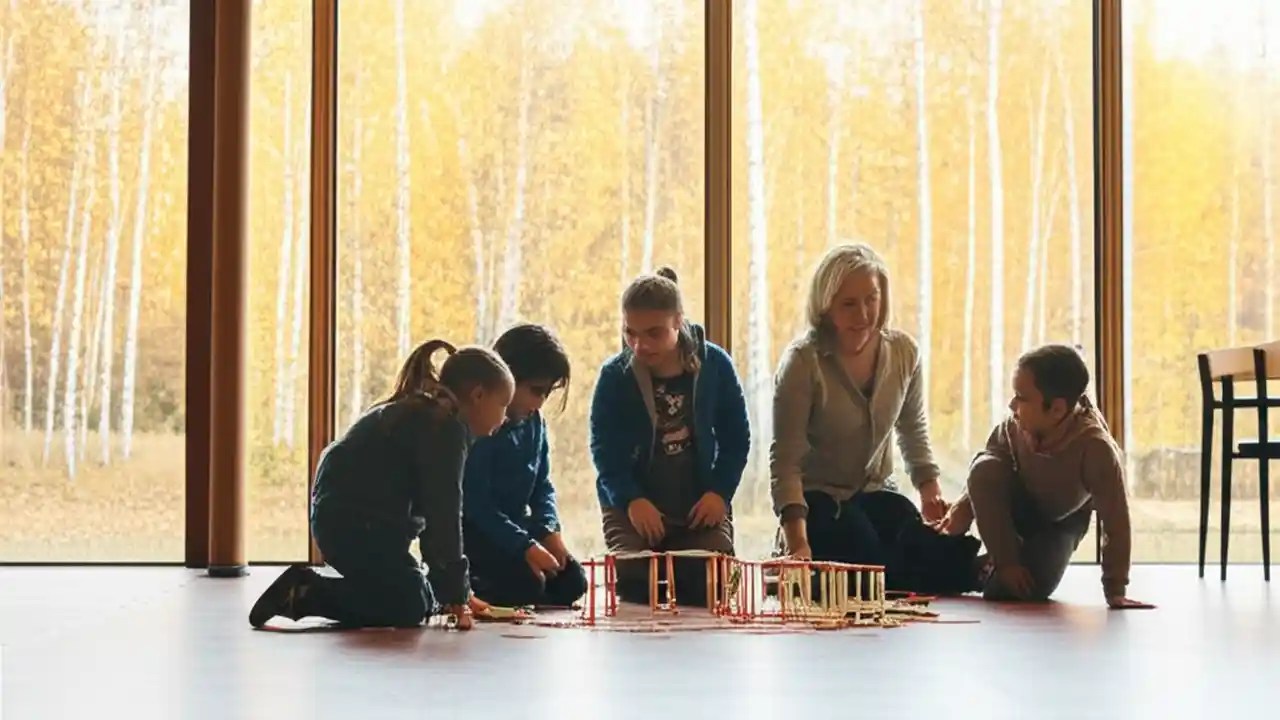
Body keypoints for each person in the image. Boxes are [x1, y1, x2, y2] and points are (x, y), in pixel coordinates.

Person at [248, 339, 514, 630]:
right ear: (478, 395)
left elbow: (435, 523)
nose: (505, 417)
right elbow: (444, 514)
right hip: (357, 527)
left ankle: (428, 595)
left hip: (347, 523)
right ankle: (306, 594)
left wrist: (458, 591)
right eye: (503, 405)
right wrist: (457, 594)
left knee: (417, 588)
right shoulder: (445, 430)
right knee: (409, 602)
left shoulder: (426, 413)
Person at [770, 243, 980, 594]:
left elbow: (912, 430)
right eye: (849, 304)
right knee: (864, 552)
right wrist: (797, 544)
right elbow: (786, 462)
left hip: (876, 493)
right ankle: (805, 572)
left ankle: (933, 568)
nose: (863, 314)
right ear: (826, 308)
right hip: (820, 501)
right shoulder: (803, 363)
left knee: (907, 532)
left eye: (872, 299)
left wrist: (930, 492)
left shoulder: (903, 353)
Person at [933, 344, 1154, 609]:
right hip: (1018, 508)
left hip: (1061, 522)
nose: (1012, 404)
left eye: (1021, 397)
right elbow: (982, 478)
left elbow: (1116, 521)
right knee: (984, 465)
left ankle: (987, 568)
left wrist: (1115, 588)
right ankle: (987, 562)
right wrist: (959, 523)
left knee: (1017, 590)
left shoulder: (1096, 448)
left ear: (1057, 409)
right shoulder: (1013, 427)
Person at [590, 266, 750, 606]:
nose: (640, 345)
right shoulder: (614, 376)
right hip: (635, 505)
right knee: (637, 584)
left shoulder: (716, 365)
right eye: (630, 333)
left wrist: (719, 493)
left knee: (708, 585)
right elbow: (605, 452)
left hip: (697, 503)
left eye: (654, 333)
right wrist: (631, 500)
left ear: (679, 322)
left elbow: (737, 438)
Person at [462, 323, 588, 608]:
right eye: (535, 390)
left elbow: (542, 486)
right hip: (480, 533)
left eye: (547, 393)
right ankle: (474, 585)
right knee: (527, 584)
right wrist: (524, 547)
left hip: (519, 528)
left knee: (573, 580)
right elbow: (477, 505)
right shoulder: (483, 427)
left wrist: (548, 530)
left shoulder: (535, 423)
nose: (540, 402)